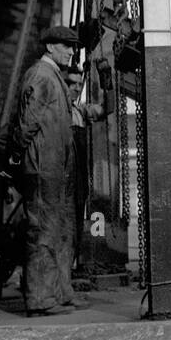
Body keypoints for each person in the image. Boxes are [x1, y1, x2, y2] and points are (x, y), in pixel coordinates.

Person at [14, 25, 78, 315]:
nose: (72, 51)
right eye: (66, 46)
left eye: (72, 46)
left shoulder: (51, 76)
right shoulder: (42, 75)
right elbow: (28, 123)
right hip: (43, 166)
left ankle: (52, 295)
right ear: (51, 47)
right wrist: (16, 156)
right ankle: (39, 300)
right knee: (41, 232)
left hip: (50, 166)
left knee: (51, 232)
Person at [64, 62, 114, 272]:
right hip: (63, 177)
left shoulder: (79, 111)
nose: (77, 88)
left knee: (74, 223)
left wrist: (107, 80)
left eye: (78, 84)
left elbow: (106, 110)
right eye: (71, 84)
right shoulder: (55, 111)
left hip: (78, 177)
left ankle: (66, 270)